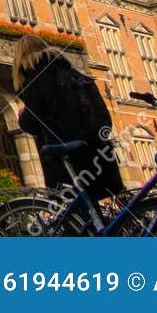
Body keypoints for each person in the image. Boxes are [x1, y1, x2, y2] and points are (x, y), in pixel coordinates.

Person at [12, 34, 125, 202]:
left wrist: (23, 116)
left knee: (75, 216)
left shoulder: (35, 79)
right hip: (96, 152)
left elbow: (33, 124)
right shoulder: (73, 72)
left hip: (67, 156)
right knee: (96, 213)